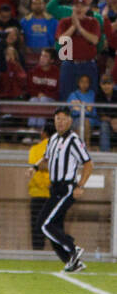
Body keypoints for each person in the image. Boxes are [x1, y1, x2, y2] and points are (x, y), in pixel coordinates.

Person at [31, 107, 92, 271]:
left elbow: (88, 163)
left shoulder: (73, 140)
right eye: (57, 119)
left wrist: (81, 185)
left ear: (70, 121)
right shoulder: (53, 140)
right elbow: (46, 158)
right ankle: (73, 262)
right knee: (54, 228)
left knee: (44, 224)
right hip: (54, 188)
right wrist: (35, 168)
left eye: (64, 119)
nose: (60, 122)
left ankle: (73, 249)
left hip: (66, 188)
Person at [27, 124, 51, 251]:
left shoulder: (35, 149)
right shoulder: (59, 149)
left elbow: (33, 170)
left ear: (44, 133)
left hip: (37, 194)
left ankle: (37, 254)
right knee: (55, 227)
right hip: (53, 195)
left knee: (37, 228)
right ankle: (62, 255)